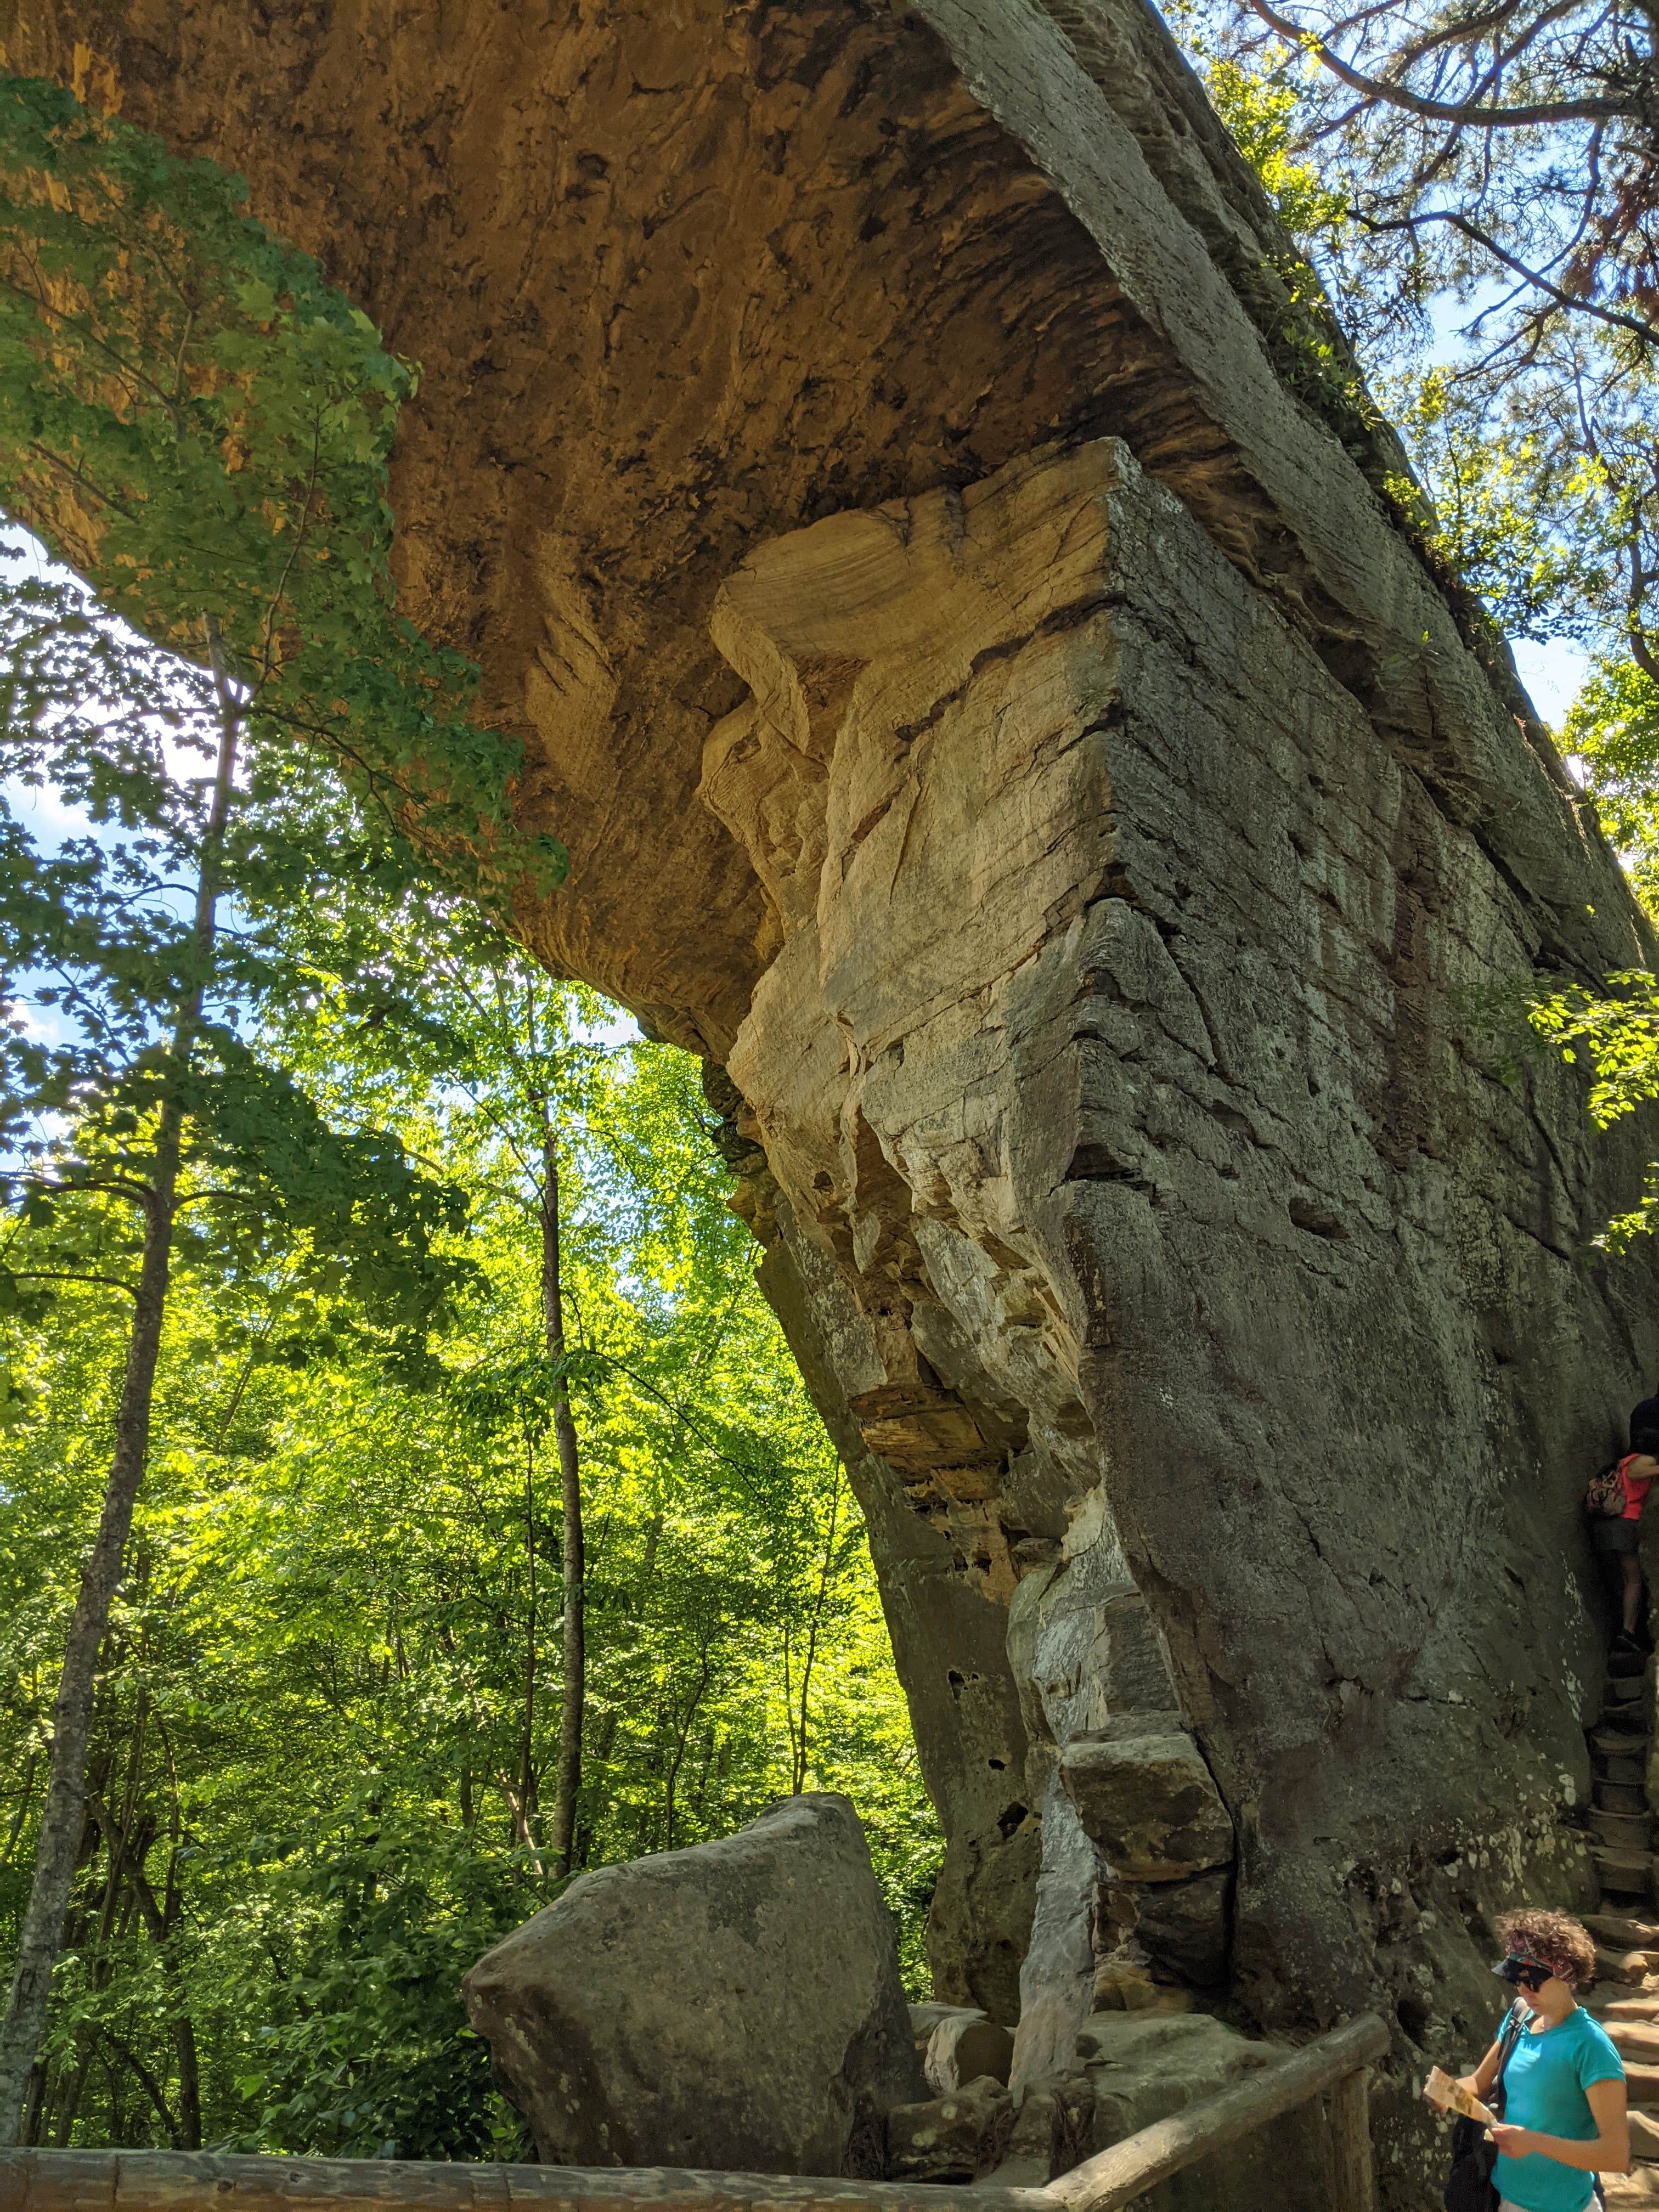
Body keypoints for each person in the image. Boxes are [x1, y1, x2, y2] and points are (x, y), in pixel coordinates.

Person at [1455, 1909, 1629, 2211]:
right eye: (1516, 1979)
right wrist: (1449, 2093)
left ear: (1566, 1977)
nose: (1523, 1990)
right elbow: (1479, 2083)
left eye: (1533, 1981)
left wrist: (1533, 2142)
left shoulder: (1591, 2047)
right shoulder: (1519, 2016)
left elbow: (1615, 2154)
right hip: (1503, 2197)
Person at [1590, 1429, 1659, 1651]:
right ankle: (1627, 1631)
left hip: (1604, 1524)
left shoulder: (1622, 1461)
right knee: (1634, 1580)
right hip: (1625, 1523)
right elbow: (1636, 1475)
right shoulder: (1642, 1461)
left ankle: (1624, 1631)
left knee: (1619, 1580)